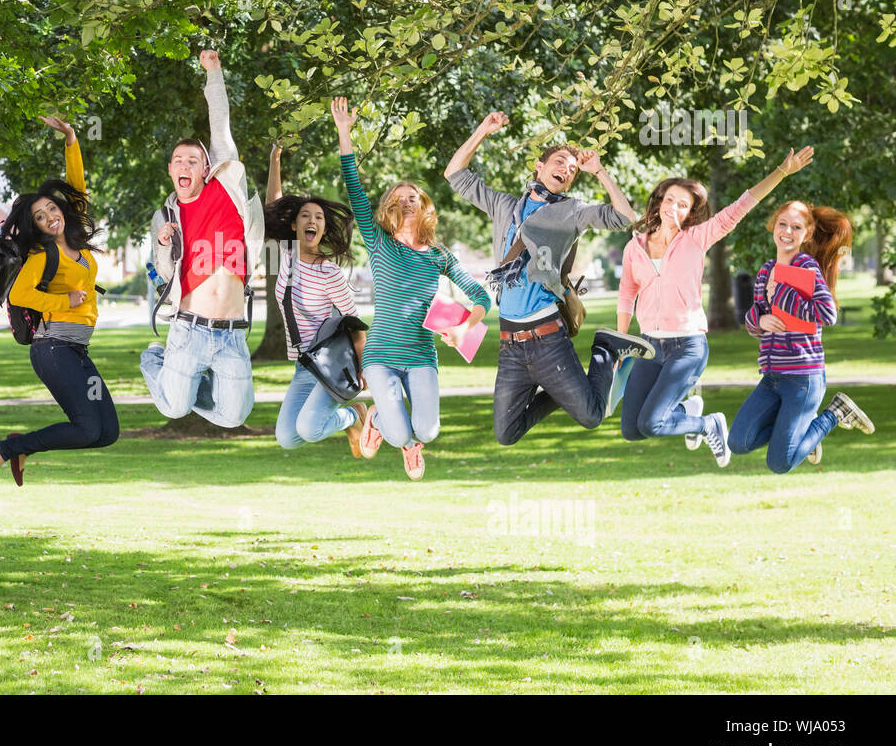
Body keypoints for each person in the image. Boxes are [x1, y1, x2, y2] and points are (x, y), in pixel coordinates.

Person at [445, 117, 656, 447]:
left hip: (547, 340)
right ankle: (562, 391)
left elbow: (627, 220)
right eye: (560, 162)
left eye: (572, 170)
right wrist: (482, 131)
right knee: (506, 433)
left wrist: (599, 172)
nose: (567, 170)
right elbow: (454, 174)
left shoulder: (572, 211)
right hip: (510, 344)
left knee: (591, 415)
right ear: (539, 166)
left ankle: (605, 350)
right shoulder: (504, 206)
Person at [617, 148, 816, 465]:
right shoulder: (635, 246)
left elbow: (741, 206)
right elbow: (627, 291)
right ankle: (687, 410)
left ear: (690, 213)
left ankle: (708, 424)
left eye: (684, 205)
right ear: (658, 201)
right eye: (670, 199)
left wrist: (781, 170)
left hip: (686, 346)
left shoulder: (697, 238)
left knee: (651, 422)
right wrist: (622, 341)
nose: (674, 208)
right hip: (649, 345)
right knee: (632, 429)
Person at [334, 98, 490, 480]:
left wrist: (464, 328)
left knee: (429, 430)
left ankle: (401, 433)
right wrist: (344, 132)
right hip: (381, 354)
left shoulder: (439, 255)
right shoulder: (378, 241)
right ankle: (387, 429)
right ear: (389, 207)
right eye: (399, 198)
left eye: (413, 198)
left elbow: (483, 297)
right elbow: (354, 187)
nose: (406, 202)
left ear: (423, 208)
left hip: (421, 354)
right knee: (402, 432)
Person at [0, 116, 119, 483]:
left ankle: (18, 446)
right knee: (87, 428)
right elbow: (21, 293)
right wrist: (64, 302)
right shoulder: (42, 257)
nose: (49, 217)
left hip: (77, 349)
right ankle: (4, 450)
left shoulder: (76, 242)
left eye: (52, 209)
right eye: (40, 217)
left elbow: (78, 189)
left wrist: (72, 139)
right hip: (52, 347)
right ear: (35, 226)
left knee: (107, 432)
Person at [140, 50, 264, 427]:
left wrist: (214, 72)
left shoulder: (225, 187)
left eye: (193, 161)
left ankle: (193, 382)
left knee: (234, 416)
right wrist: (162, 244)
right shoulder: (166, 217)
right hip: (188, 329)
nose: (184, 165)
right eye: (178, 160)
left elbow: (220, 125)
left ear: (206, 168)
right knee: (173, 408)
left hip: (232, 335)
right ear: (169, 170)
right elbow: (163, 274)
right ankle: (155, 358)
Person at [728, 201, 874, 472]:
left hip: (803, 379)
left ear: (806, 234)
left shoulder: (806, 267)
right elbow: (753, 321)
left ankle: (834, 413)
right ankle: (803, 435)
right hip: (772, 376)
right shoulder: (765, 271)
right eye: (782, 224)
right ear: (773, 226)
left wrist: (782, 294)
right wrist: (759, 320)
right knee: (738, 441)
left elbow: (826, 313)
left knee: (779, 463)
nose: (787, 231)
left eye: (796, 227)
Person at [265, 140, 369, 455]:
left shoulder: (329, 273)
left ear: (323, 229)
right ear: (294, 224)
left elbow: (356, 326)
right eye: (306, 216)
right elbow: (274, 203)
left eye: (319, 218)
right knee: (287, 437)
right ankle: (351, 420)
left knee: (309, 429)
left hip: (329, 365)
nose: (313, 221)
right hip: (302, 366)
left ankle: (355, 414)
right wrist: (275, 160)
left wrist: (362, 371)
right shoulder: (286, 253)